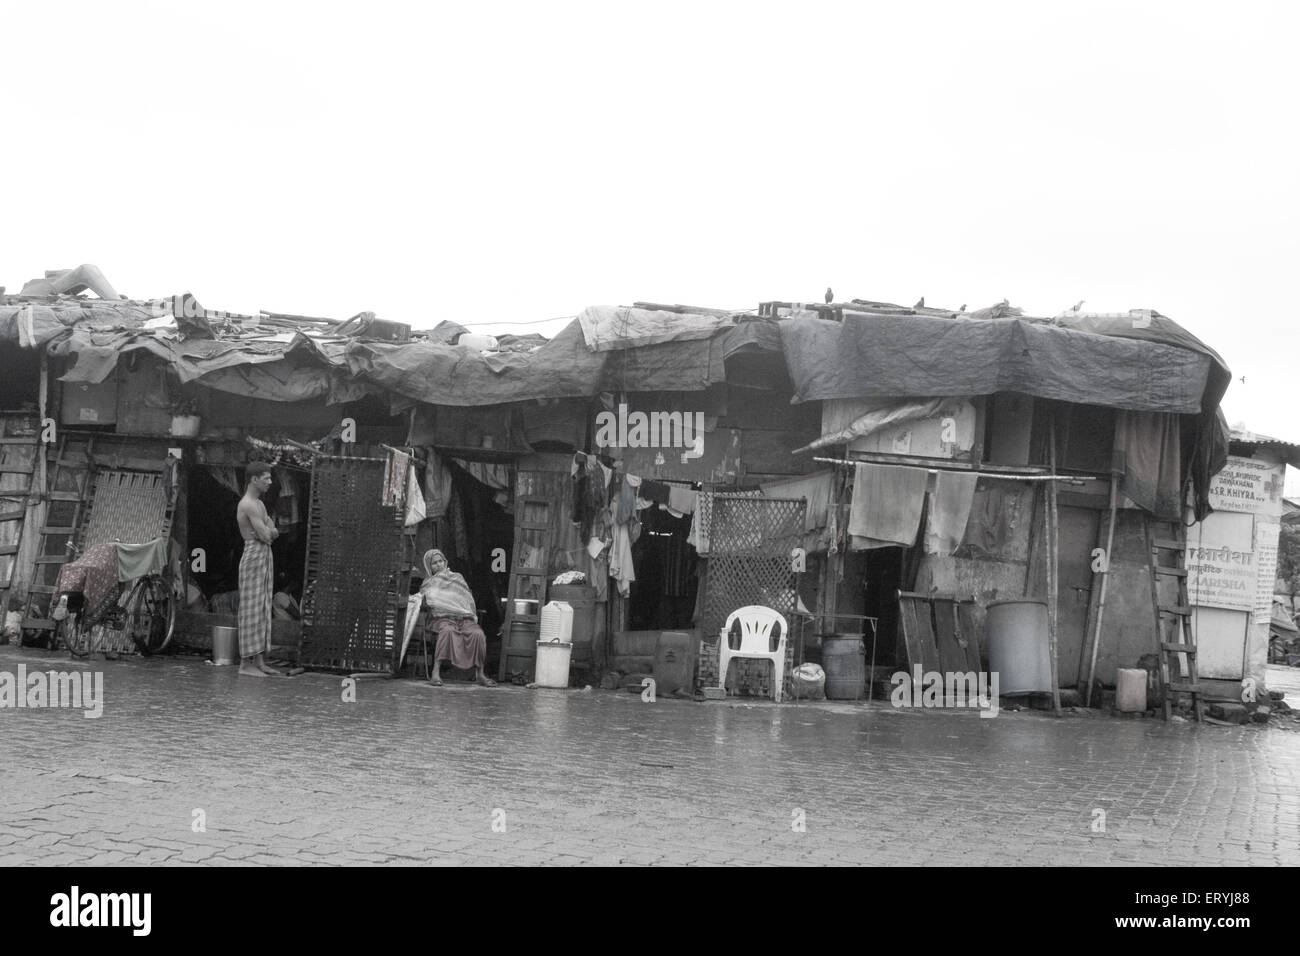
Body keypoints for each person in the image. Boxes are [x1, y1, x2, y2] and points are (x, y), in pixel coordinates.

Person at [420, 549, 496, 687]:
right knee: (447, 632)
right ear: (428, 566)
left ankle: (480, 674)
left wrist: (464, 611)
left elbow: (466, 598)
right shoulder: (428, 582)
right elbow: (428, 600)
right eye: (434, 563)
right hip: (440, 618)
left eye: (440, 561)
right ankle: (435, 673)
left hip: (463, 617)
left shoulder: (457, 578)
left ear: (445, 562)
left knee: (478, 634)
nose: (438, 565)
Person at [237, 461, 282, 677]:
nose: (270, 482)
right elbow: (266, 535)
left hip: (264, 555)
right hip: (254, 553)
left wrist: (269, 531)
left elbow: (272, 530)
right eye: (266, 478)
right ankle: (245, 664)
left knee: (263, 606)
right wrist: (269, 532)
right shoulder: (248, 504)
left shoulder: (260, 505)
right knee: (250, 609)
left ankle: (260, 660)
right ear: (254, 479)